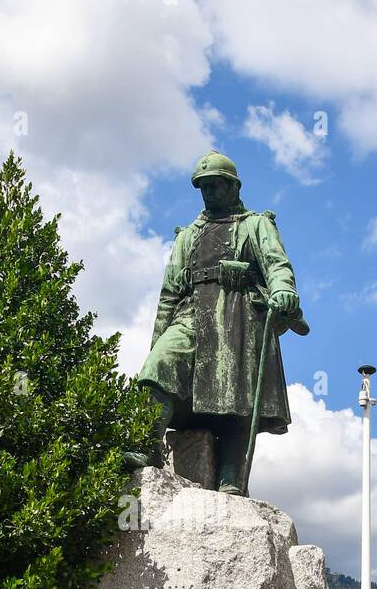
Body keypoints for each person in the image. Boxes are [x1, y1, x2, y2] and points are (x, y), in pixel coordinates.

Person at [126, 151, 308, 493]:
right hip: (191, 314)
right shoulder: (187, 235)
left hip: (236, 315)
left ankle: (230, 476)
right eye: (203, 186)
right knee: (157, 370)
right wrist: (155, 342)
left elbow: (277, 266)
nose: (209, 192)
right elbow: (168, 293)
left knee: (235, 395)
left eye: (215, 185)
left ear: (233, 186)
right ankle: (145, 444)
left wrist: (283, 291)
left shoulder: (256, 224)